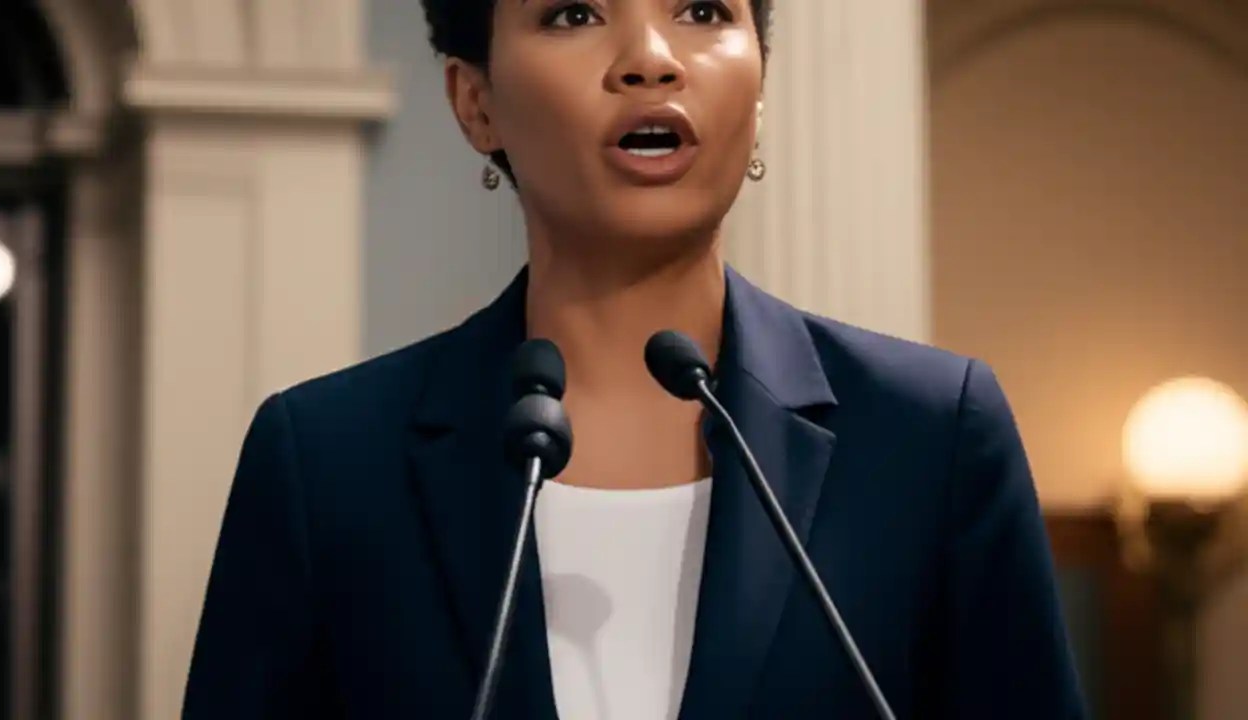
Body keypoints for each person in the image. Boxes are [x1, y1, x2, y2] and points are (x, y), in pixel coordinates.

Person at [182, 1, 1085, 718]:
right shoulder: (325, 459)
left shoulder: (932, 434)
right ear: (475, 101)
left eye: (702, 9)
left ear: (762, 86)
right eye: (574, 12)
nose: (650, 58)